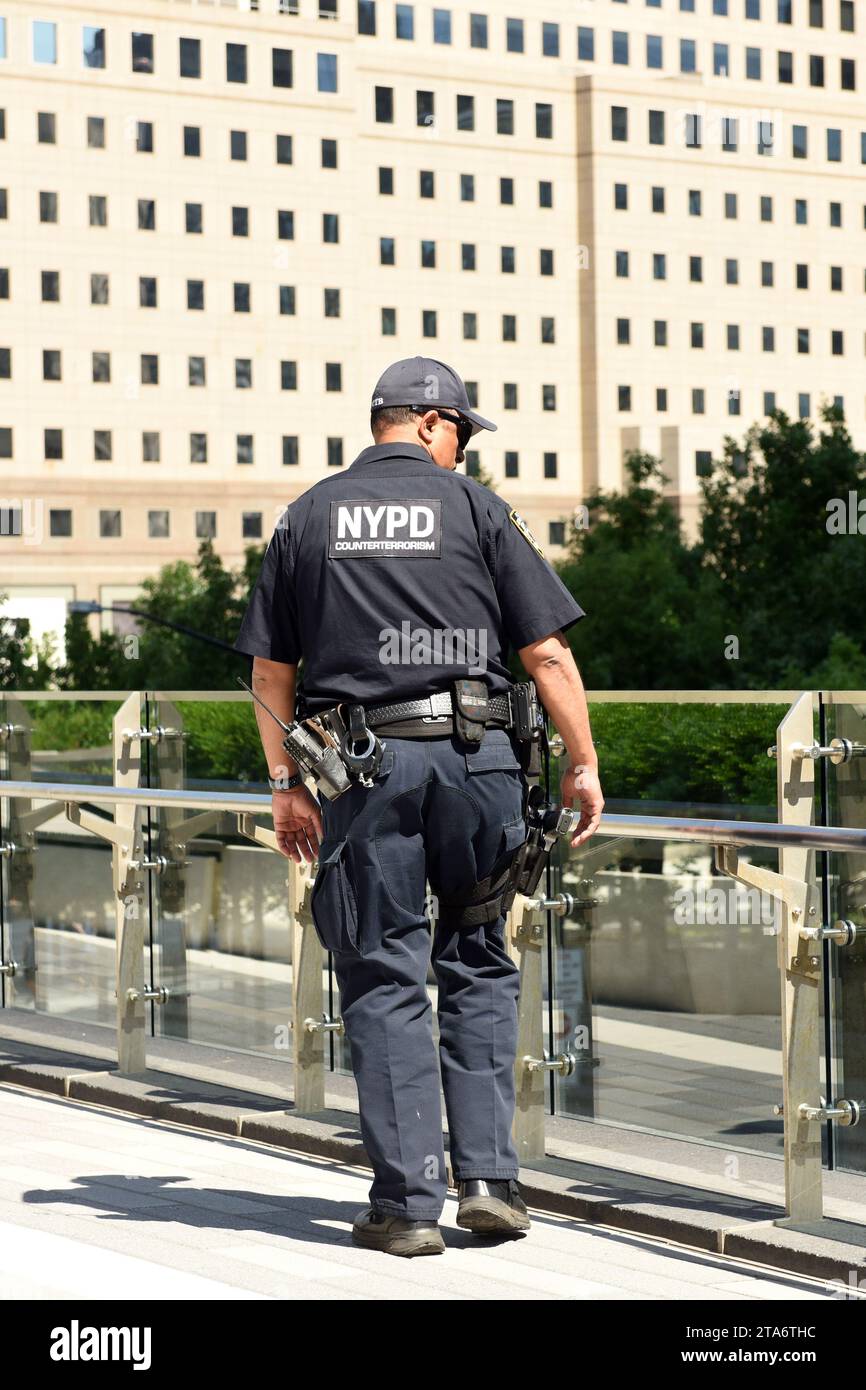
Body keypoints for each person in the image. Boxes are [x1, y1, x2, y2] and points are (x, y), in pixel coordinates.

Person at [233, 355, 604, 1258]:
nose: (463, 453)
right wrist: (583, 764)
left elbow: (270, 674)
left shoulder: (308, 515)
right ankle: (490, 1179)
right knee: (477, 956)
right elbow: (546, 655)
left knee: (383, 970)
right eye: (463, 435)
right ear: (434, 423)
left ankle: (407, 1208)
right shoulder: (476, 510)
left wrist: (286, 786)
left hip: (363, 774)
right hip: (481, 767)